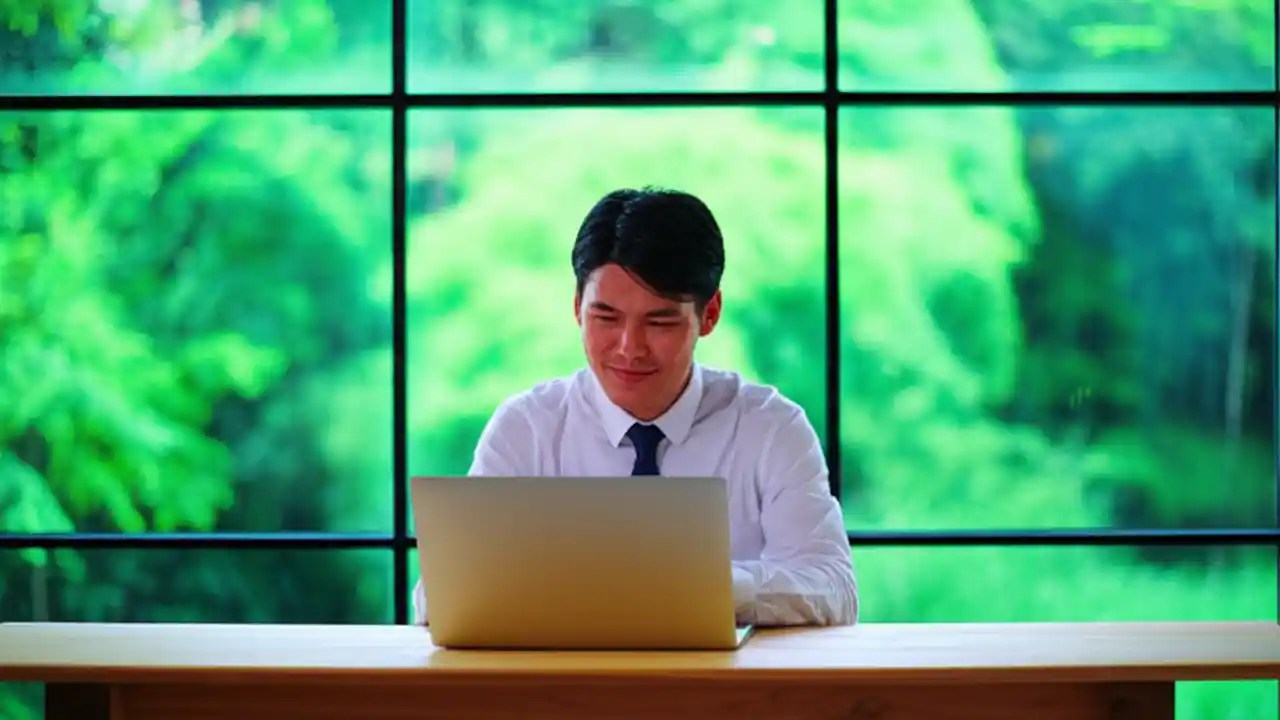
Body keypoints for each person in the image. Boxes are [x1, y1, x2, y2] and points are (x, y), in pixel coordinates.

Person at [412, 187, 858, 627]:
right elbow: (438, 597)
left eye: (659, 321)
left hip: (725, 694)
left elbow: (833, 589)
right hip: (562, 693)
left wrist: (697, 587)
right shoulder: (526, 429)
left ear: (710, 314)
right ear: (576, 308)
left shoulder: (771, 429)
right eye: (605, 318)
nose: (629, 348)